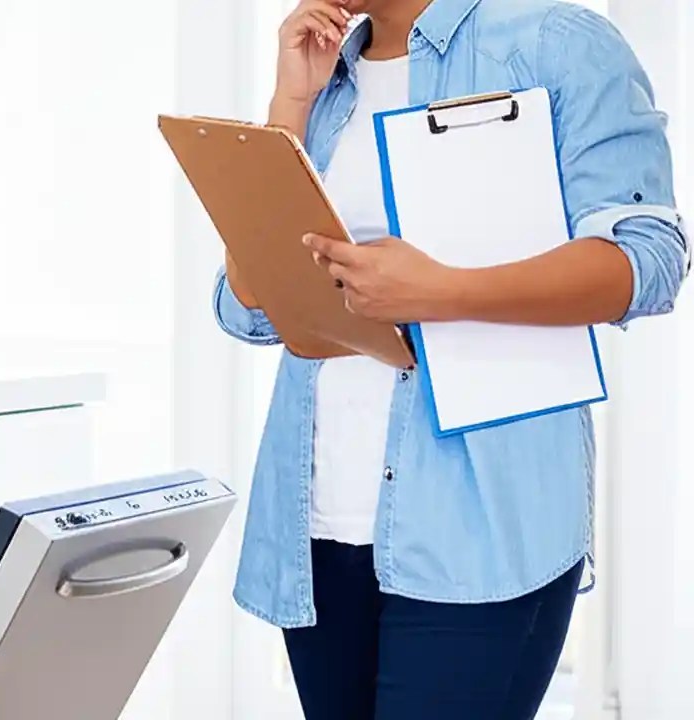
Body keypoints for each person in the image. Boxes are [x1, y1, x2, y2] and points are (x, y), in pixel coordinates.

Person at [214, 0, 688, 718]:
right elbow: (249, 308)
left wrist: (444, 290)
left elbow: (647, 259)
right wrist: (291, 104)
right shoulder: (326, 77)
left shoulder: (552, 42)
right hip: (317, 528)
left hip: (481, 535)